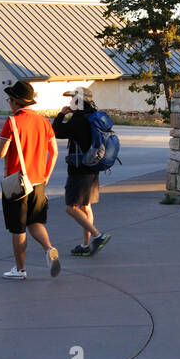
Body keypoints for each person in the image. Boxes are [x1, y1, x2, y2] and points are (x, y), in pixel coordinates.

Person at [0, 80, 60, 280]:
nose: (9, 103)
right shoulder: (44, 122)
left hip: (16, 183)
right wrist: (46, 176)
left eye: (10, 99)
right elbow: (54, 152)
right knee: (35, 222)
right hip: (38, 182)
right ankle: (49, 249)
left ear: (16, 102)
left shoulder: (12, 122)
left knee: (18, 228)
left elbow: (0, 153)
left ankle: (20, 270)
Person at [53, 86, 110, 257]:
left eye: (72, 99)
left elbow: (57, 131)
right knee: (86, 206)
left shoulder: (78, 120)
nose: (70, 102)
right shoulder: (93, 117)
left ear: (79, 101)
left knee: (71, 207)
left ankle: (97, 235)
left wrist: (62, 114)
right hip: (93, 167)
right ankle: (85, 245)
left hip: (79, 171)